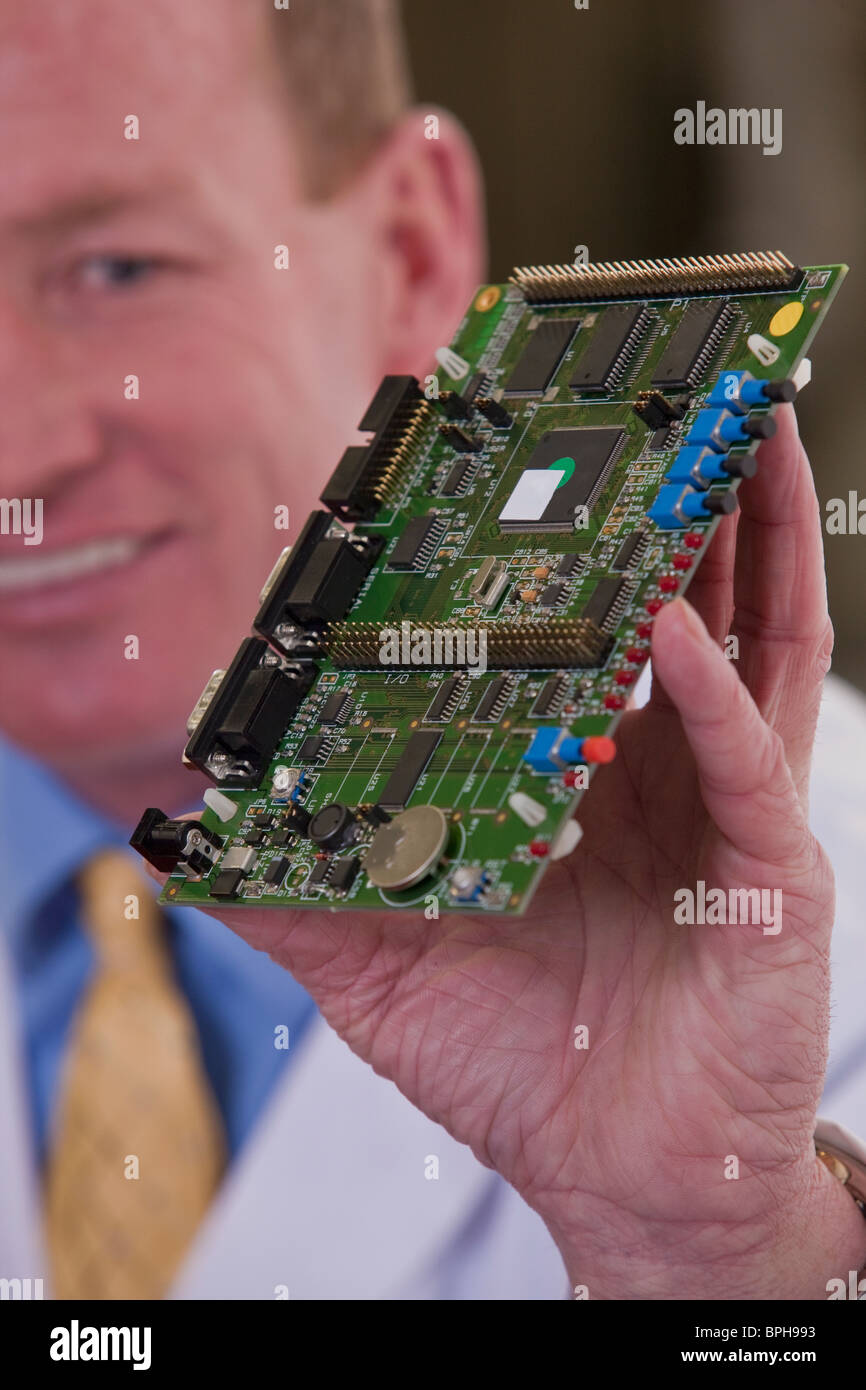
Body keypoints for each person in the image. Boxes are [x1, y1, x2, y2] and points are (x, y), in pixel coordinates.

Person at [0, 0, 863, 1301]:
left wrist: (713, 1260)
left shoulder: (813, 938)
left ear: (409, 252)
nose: (20, 453)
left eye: (118, 271)